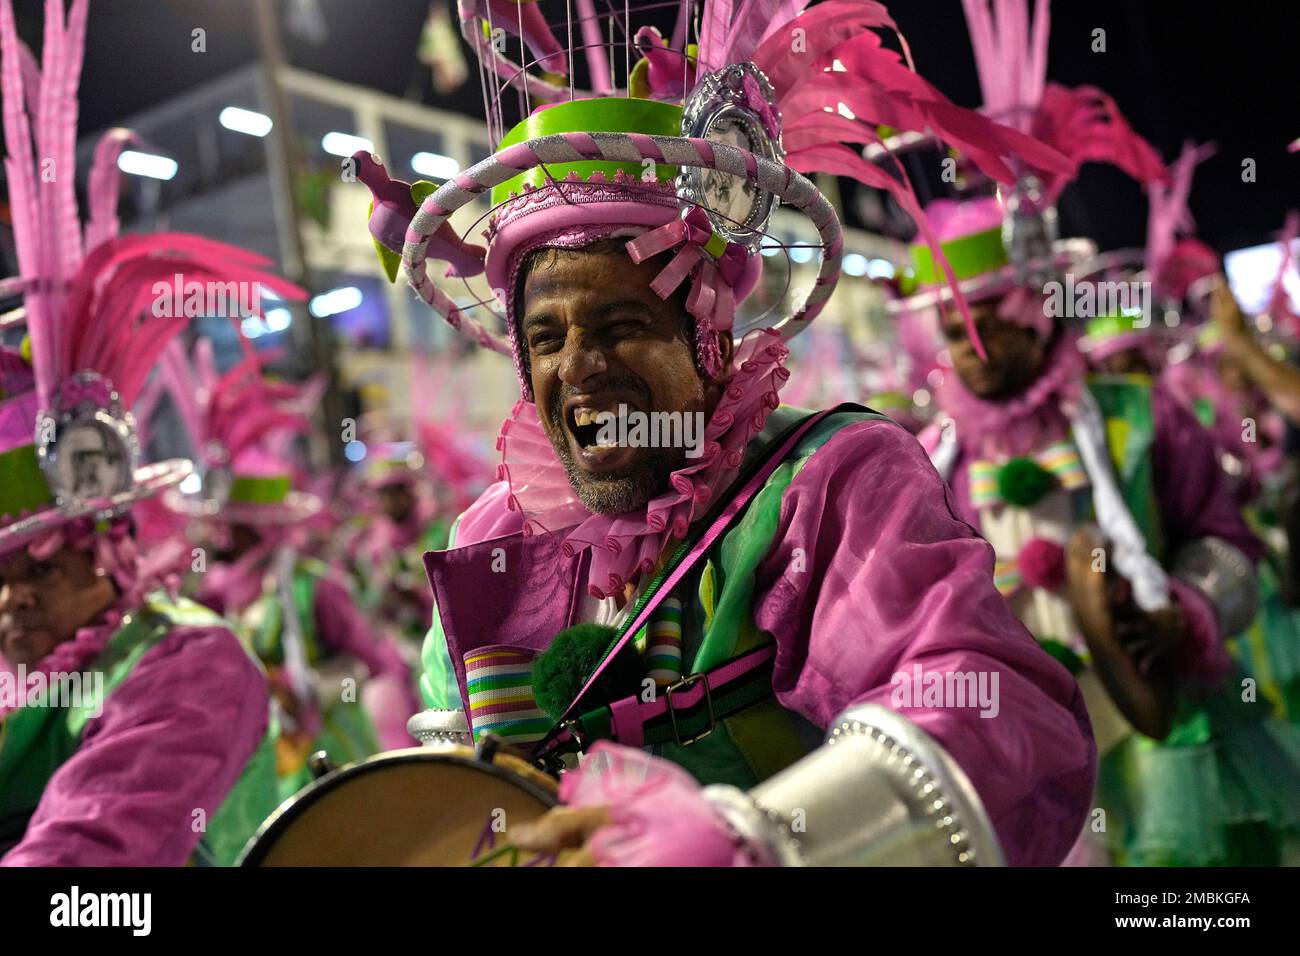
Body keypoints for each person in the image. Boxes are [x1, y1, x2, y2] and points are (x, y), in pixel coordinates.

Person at [367, 0, 1097, 866]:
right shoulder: (492, 538)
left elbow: (994, 707)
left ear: (709, 343)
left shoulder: (828, 481)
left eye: (622, 324)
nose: (581, 366)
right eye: (548, 338)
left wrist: (757, 841)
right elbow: (444, 798)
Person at [0, 0, 285, 865]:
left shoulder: (189, 660)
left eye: (38, 570)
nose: (11, 600)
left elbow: (82, 868)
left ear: (112, 544)